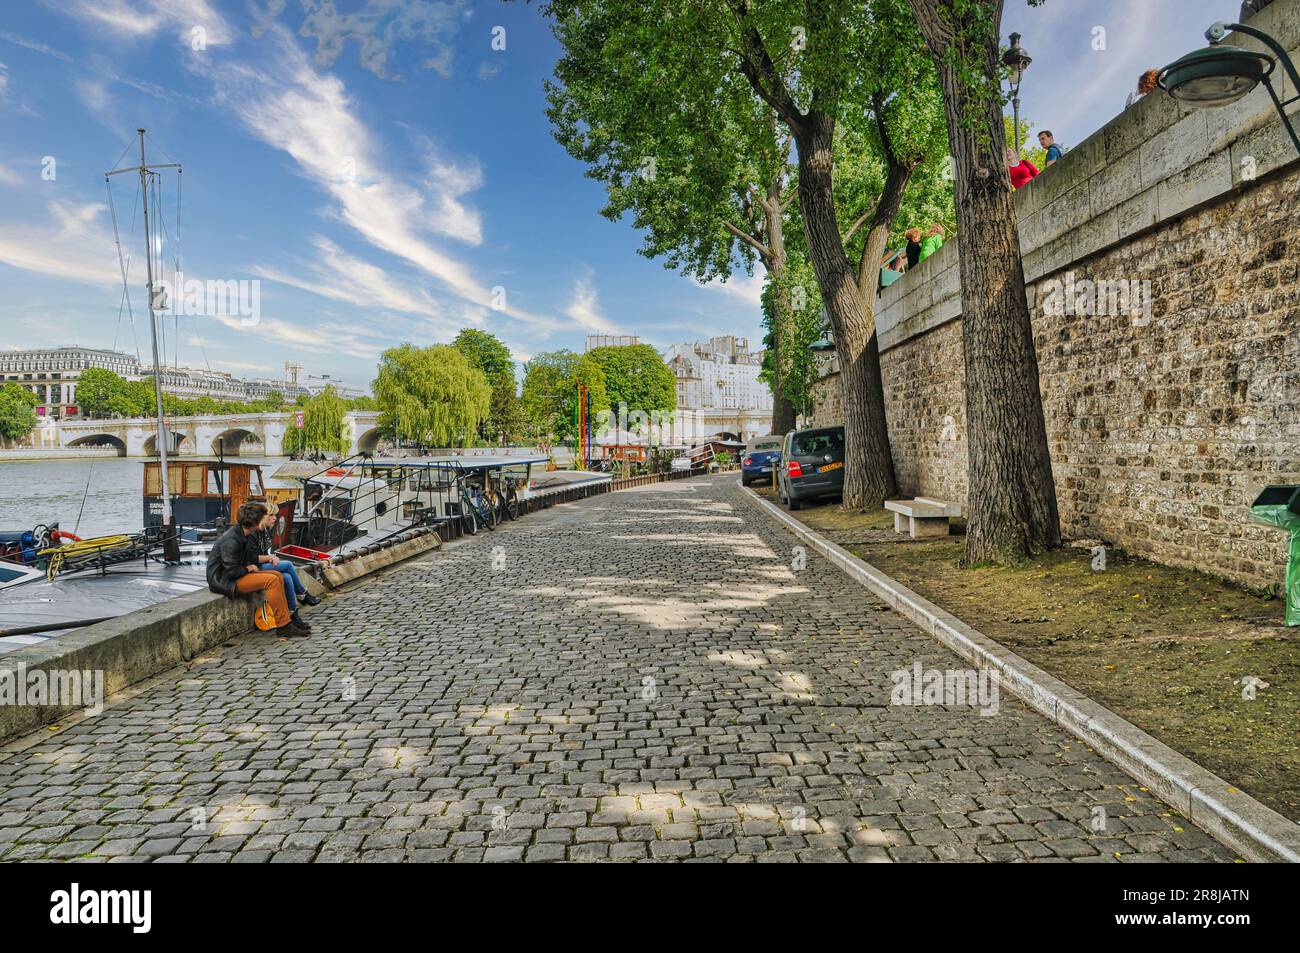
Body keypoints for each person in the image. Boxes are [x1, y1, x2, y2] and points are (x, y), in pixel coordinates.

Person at [206, 501, 309, 637]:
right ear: (255, 521)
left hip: (236, 575)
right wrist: (249, 569)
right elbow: (231, 572)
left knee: (278, 576)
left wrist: (268, 558)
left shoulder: (243, 534)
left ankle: (287, 621)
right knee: (272, 580)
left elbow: (251, 557)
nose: (265, 519)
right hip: (224, 581)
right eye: (262, 517)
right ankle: (284, 626)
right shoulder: (231, 539)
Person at [256, 506, 319, 631]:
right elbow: (253, 557)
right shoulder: (254, 532)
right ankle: (302, 594)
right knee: (289, 565)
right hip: (255, 568)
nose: (275, 518)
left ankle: (292, 614)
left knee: (287, 577)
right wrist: (270, 558)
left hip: (262, 564)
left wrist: (271, 557)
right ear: (263, 516)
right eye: (271, 515)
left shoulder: (264, 531)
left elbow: (265, 552)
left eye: (275, 515)